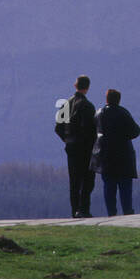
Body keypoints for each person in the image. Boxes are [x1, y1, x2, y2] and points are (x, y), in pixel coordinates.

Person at [90, 89, 140, 216]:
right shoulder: (123, 113)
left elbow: (93, 131)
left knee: (109, 186)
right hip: (124, 154)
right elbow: (136, 131)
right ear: (119, 100)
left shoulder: (99, 114)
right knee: (125, 186)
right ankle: (128, 211)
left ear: (107, 99)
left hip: (105, 155)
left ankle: (111, 213)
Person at [54, 74, 96, 217]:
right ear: (88, 88)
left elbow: (58, 128)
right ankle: (84, 209)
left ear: (75, 86)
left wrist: (68, 140)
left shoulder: (66, 104)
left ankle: (74, 211)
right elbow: (91, 130)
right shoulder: (88, 106)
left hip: (71, 149)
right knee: (88, 181)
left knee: (74, 181)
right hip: (85, 150)